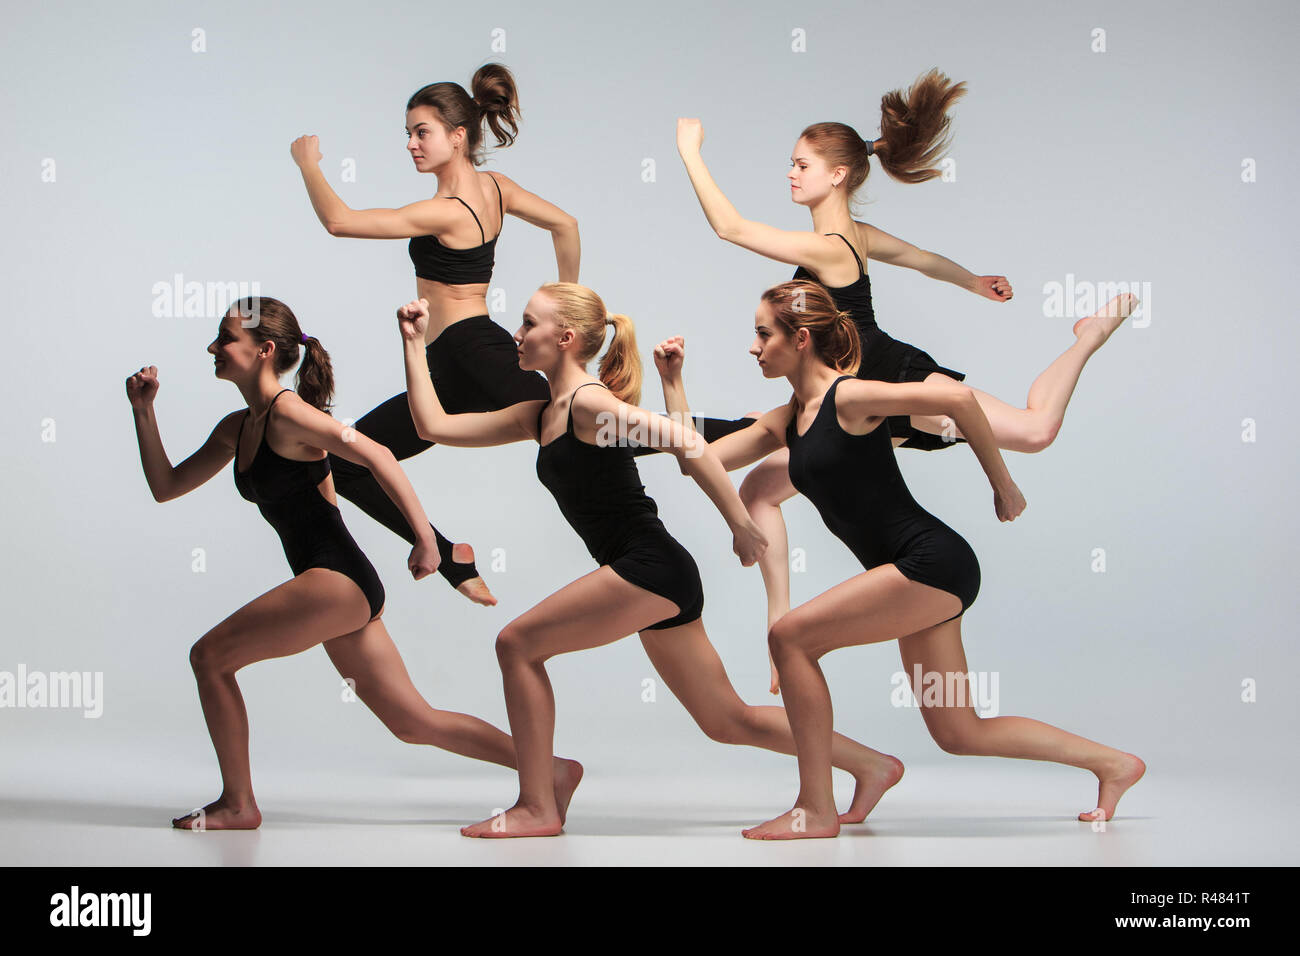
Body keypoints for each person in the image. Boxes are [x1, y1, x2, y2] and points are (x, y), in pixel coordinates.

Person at [673, 71, 1137, 689]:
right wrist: (972, 279)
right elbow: (919, 258)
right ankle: (780, 633)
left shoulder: (835, 245)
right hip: (847, 406)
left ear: (836, 174)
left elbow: (730, 228)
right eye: (791, 163)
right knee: (759, 490)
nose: (791, 173)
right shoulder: (848, 238)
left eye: (801, 164)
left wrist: (690, 152)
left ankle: (1088, 336)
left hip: (886, 378)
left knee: (1034, 431)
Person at [399, 285, 906, 837]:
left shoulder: (592, 408)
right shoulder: (539, 413)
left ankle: (538, 802)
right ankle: (871, 764)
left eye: (526, 323)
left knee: (516, 645)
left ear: (565, 338)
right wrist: (414, 342)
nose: (515, 335)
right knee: (726, 720)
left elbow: (684, 442)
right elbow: (434, 427)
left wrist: (740, 523)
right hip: (656, 575)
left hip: (647, 568)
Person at [653, 279, 1145, 839]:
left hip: (929, 563)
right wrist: (673, 384)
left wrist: (1003, 485)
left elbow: (958, 399)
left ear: (802, 339)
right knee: (960, 731)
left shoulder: (851, 397)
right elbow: (700, 463)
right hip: (923, 576)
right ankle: (1114, 764)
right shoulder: (787, 417)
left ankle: (815, 809)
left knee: (790, 638)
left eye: (763, 334)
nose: (754, 346)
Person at [125, 296, 581, 830]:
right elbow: (167, 486)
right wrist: (143, 412)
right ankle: (553, 769)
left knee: (210, 659)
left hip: (335, 580)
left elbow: (377, 455)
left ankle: (238, 804)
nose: (213, 346)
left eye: (226, 337)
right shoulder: (238, 426)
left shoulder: (292, 414)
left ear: (265, 350)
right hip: (339, 585)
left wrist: (426, 539)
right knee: (414, 722)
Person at [290, 63, 579, 606]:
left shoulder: (443, 211)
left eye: (421, 132)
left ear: (458, 135)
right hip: (444, 365)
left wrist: (306, 165)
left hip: (472, 347)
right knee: (347, 463)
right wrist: (569, 303)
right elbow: (567, 225)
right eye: (408, 133)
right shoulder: (497, 189)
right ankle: (447, 554)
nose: (411, 145)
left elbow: (340, 221)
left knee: (579, 424)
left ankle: (724, 434)